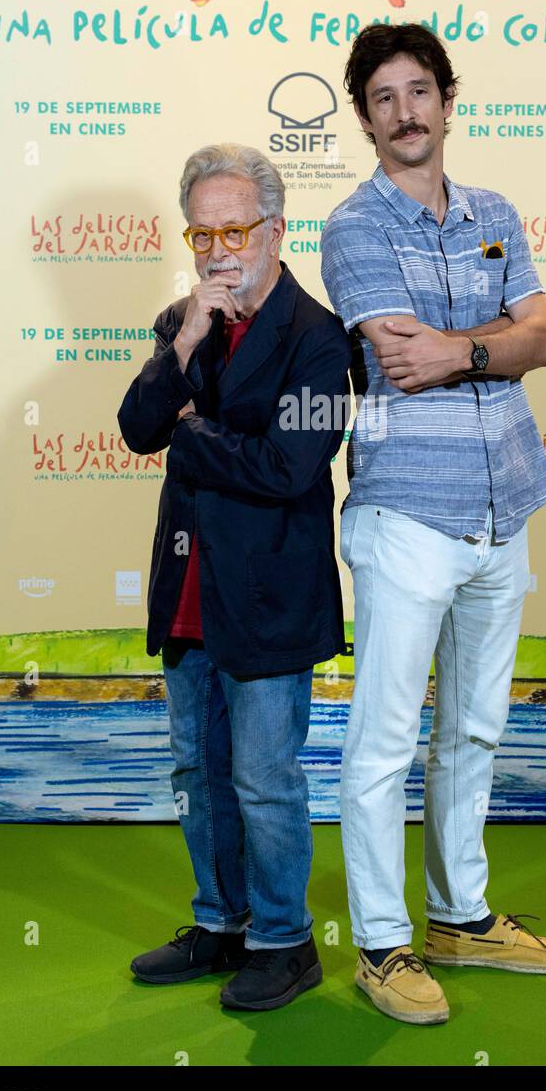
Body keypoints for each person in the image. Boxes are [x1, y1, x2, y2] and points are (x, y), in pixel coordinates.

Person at [320, 23, 546, 1026]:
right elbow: (401, 357)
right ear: (365, 117)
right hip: (406, 515)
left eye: (416, 89)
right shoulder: (351, 226)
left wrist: (468, 348)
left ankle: (458, 917)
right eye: (381, 97)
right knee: (384, 739)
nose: (403, 110)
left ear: (444, 96)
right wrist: (493, 344)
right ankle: (381, 947)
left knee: (473, 723)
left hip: (502, 503)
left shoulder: (495, 210)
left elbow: (544, 338)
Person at [117, 143, 351, 1012]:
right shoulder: (183, 322)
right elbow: (139, 428)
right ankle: (220, 923)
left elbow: (290, 468)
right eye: (202, 231)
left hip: (269, 597)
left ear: (276, 231)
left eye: (236, 230)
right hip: (186, 589)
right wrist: (181, 345)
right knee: (197, 771)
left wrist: (193, 434)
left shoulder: (320, 339)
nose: (219, 249)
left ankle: (285, 942)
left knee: (264, 776)